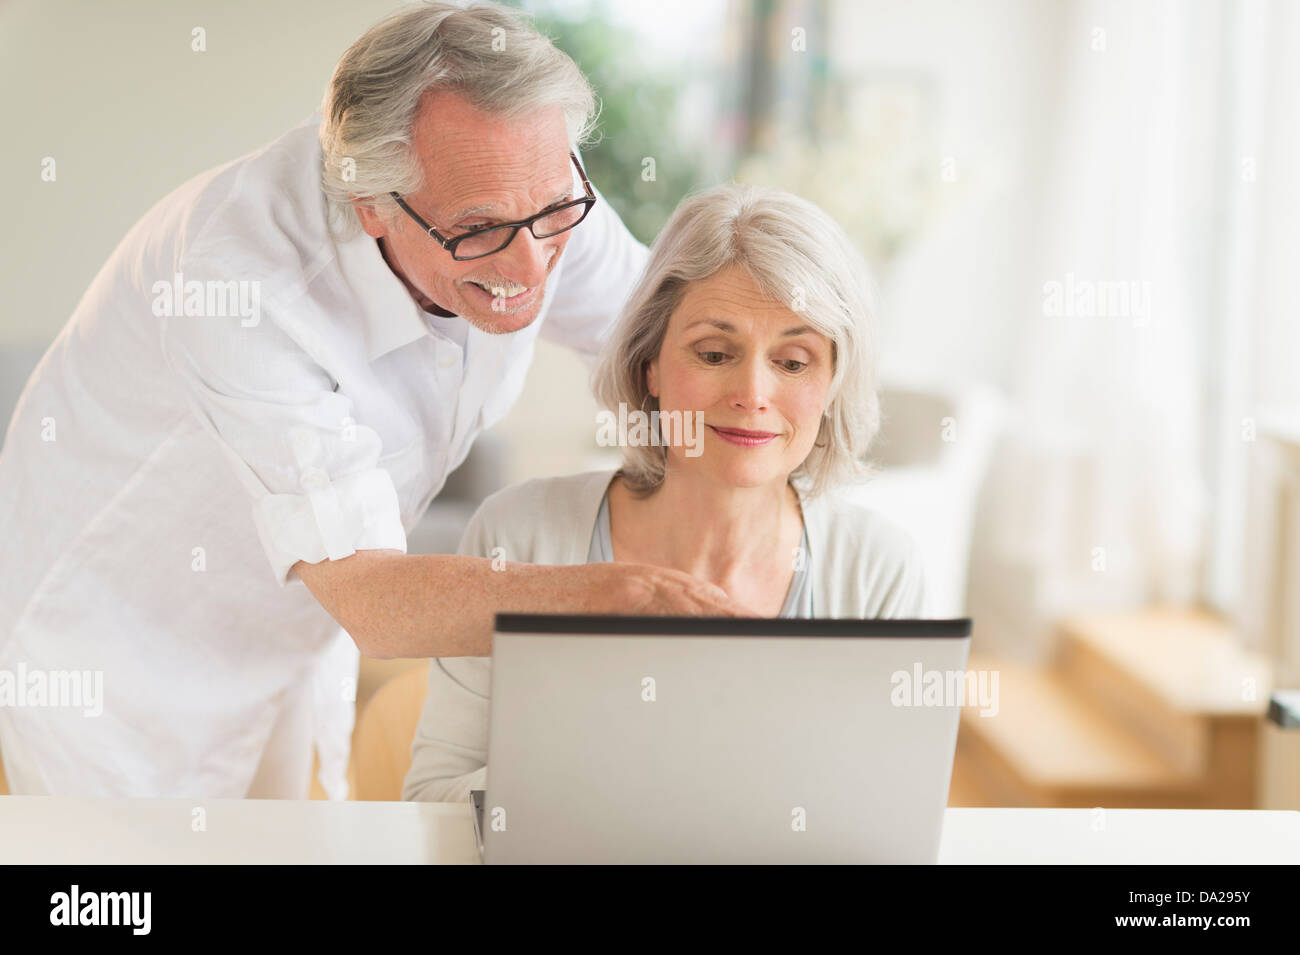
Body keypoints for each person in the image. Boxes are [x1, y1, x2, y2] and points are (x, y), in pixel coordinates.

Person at [0, 2, 740, 800]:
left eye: (553, 211)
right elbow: (376, 600)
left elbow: (668, 349)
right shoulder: (237, 280)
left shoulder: (533, 199)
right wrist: (611, 594)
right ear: (370, 206)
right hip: (113, 664)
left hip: (286, 637)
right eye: (480, 230)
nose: (532, 266)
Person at [403, 183, 926, 803]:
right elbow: (434, 799)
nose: (753, 393)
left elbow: (888, 814)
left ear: (833, 384)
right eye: (713, 352)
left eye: (793, 362)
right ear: (650, 364)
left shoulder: (878, 570)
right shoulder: (517, 535)